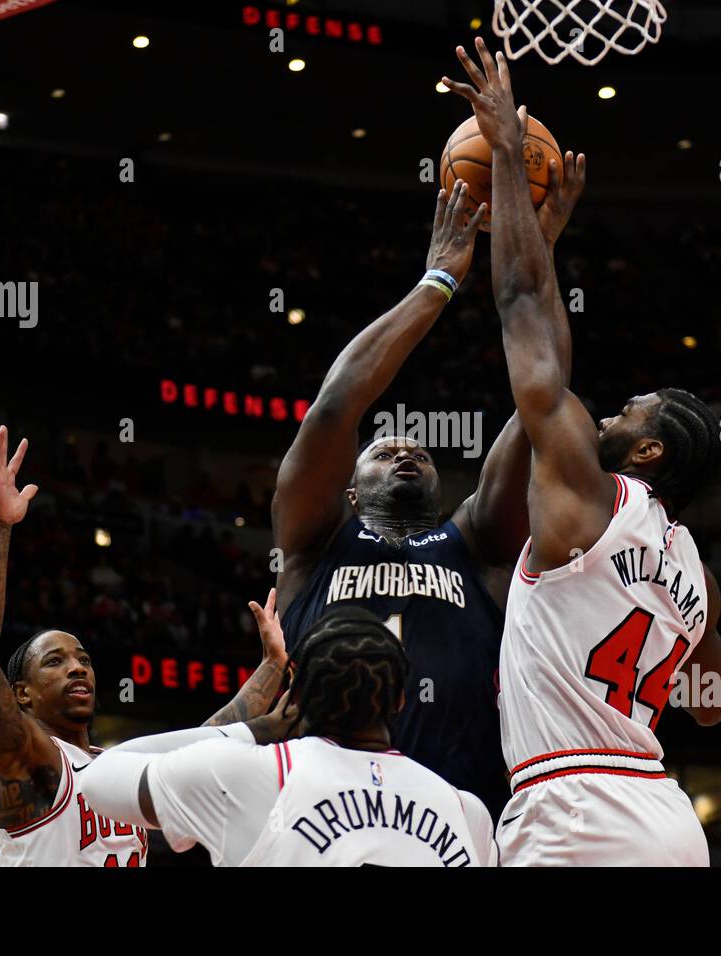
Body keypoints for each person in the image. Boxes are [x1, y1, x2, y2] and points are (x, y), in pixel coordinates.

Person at [443, 37, 721, 865]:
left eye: (629, 410)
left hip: (574, 808)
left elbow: (524, 306)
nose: (608, 408)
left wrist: (504, 154)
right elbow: (710, 705)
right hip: (666, 815)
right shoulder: (693, 568)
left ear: (644, 452)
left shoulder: (593, 503)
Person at [273, 170, 583, 820]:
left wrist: (536, 254)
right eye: (384, 452)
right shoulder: (316, 539)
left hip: (462, 818)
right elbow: (335, 407)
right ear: (349, 493)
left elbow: (543, 402)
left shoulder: (476, 545)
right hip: (326, 813)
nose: (407, 451)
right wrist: (438, 281)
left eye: (419, 452)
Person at [0, 426, 288, 866]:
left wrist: (272, 664)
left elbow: (213, 739)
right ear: (22, 693)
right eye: (55, 661)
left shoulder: (121, 764)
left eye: (84, 660)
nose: (77, 668)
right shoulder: (29, 761)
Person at [79, 607, 498, 867]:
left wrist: (254, 728)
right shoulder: (466, 811)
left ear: (295, 696)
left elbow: (99, 777)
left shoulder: (251, 775)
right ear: (402, 698)